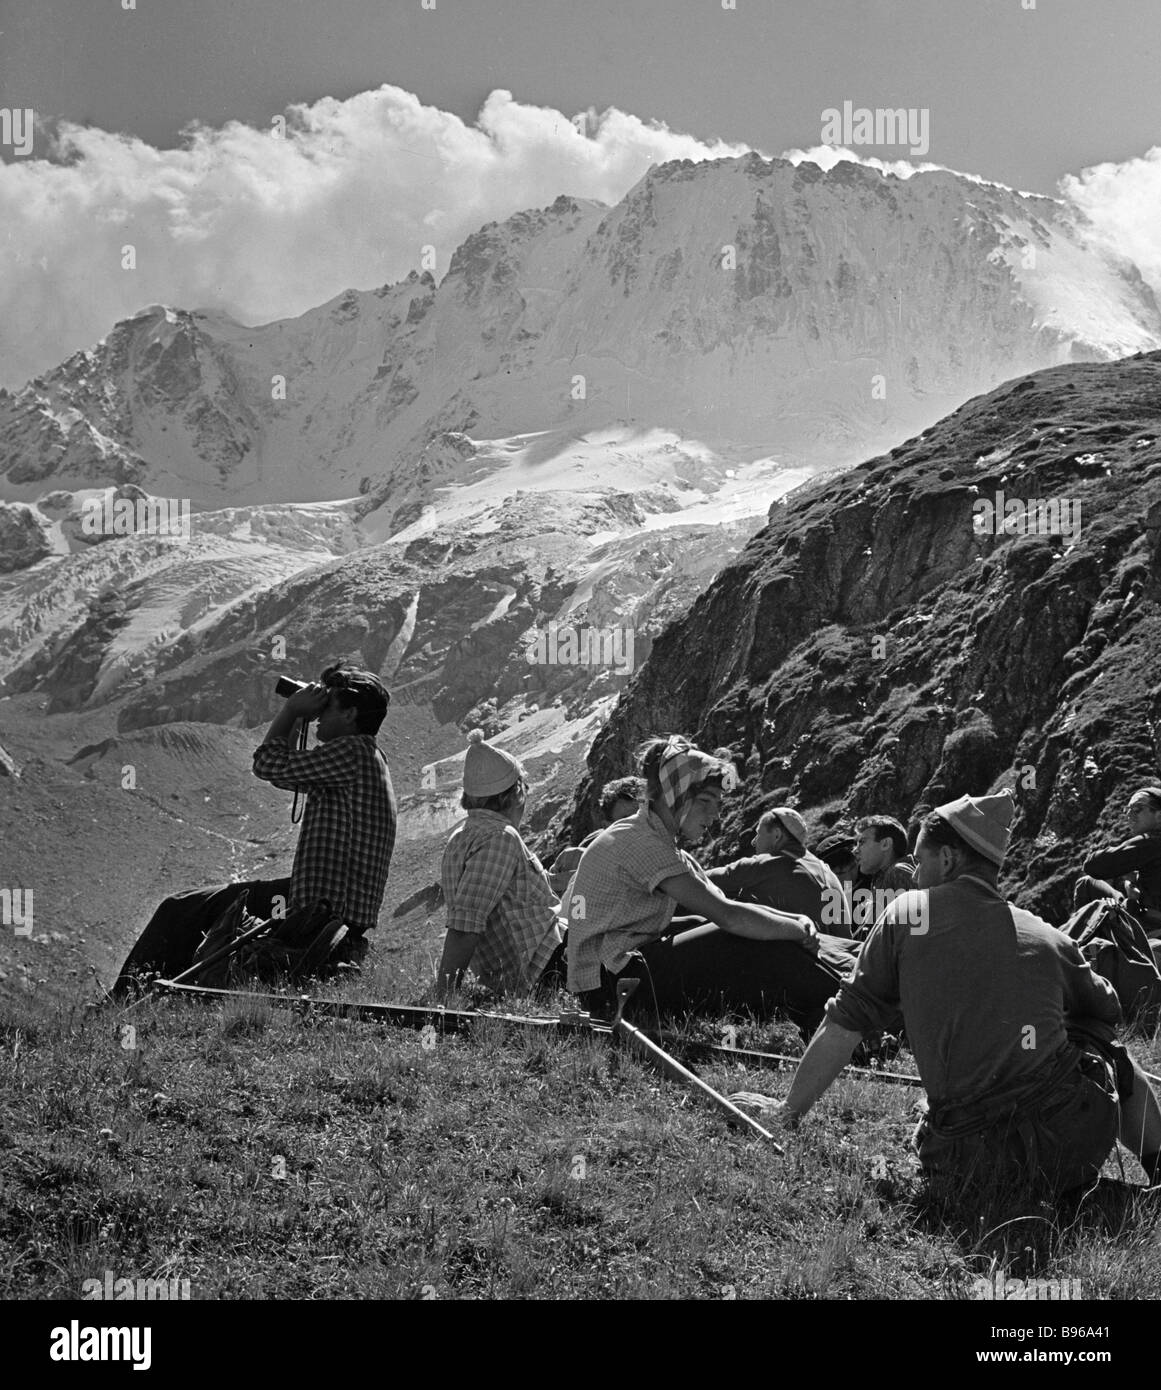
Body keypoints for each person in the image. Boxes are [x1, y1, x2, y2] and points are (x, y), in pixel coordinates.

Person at [732, 790, 1161, 1196]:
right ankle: (1157, 1169)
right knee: (1103, 1042)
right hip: (1067, 1145)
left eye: (920, 860)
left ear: (949, 858)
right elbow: (1107, 1008)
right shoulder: (1048, 937)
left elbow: (846, 1021)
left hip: (961, 1157)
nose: (915, 874)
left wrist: (787, 1113)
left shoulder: (908, 913)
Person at [112, 662, 396, 994]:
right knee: (198, 907)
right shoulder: (365, 758)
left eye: (328, 703)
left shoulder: (351, 752)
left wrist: (292, 710)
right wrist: (301, 718)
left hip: (323, 907)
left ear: (350, 714)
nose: (320, 714)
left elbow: (267, 764)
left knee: (182, 907)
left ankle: (126, 995)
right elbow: (282, 772)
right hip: (330, 903)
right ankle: (158, 989)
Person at [565, 735, 860, 1035]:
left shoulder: (659, 841)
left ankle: (842, 1008)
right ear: (675, 796)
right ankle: (854, 1015)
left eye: (717, 803)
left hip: (619, 976)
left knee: (714, 925)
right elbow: (728, 915)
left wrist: (792, 921)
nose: (715, 814)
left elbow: (723, 905)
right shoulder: (641, 841)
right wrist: (795, 928)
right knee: (740, 938)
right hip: (611, 988)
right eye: (705, 801)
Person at [435, 731, 565, 999]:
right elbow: (465, 923)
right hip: (546, 962)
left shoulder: (460, 836)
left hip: (517, 972)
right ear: (516, 794)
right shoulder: (501, 837)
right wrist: (443, 998)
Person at [705, 808, 853, 938]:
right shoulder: (827, 871)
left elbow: (698, 879)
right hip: (834, 961)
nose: (754, 842)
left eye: (758, 834)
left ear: (777, 835)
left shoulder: (766, 864)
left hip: (796, 960)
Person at [1078, 786, 1161, 936]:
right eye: (1128, 809)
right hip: (1151, 910)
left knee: (1087, 884)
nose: (1129, 814)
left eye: (1137, 809)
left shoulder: (1152, 841)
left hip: (1151, 921)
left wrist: (1129, 885)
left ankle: (1081, 946)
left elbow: (1093, 865)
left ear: (1159, 815)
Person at [548, 776, 644, 895]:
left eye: (644, 817)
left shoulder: (666, 854)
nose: (639, 826)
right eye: (627, 821)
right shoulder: (576, 859)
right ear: (607, 826)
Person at [852, 815, 917, 935]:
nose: (855, 850)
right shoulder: (880, 877)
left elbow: (915, 931)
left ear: (885, 844)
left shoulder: (899, 873)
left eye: (862, 842)